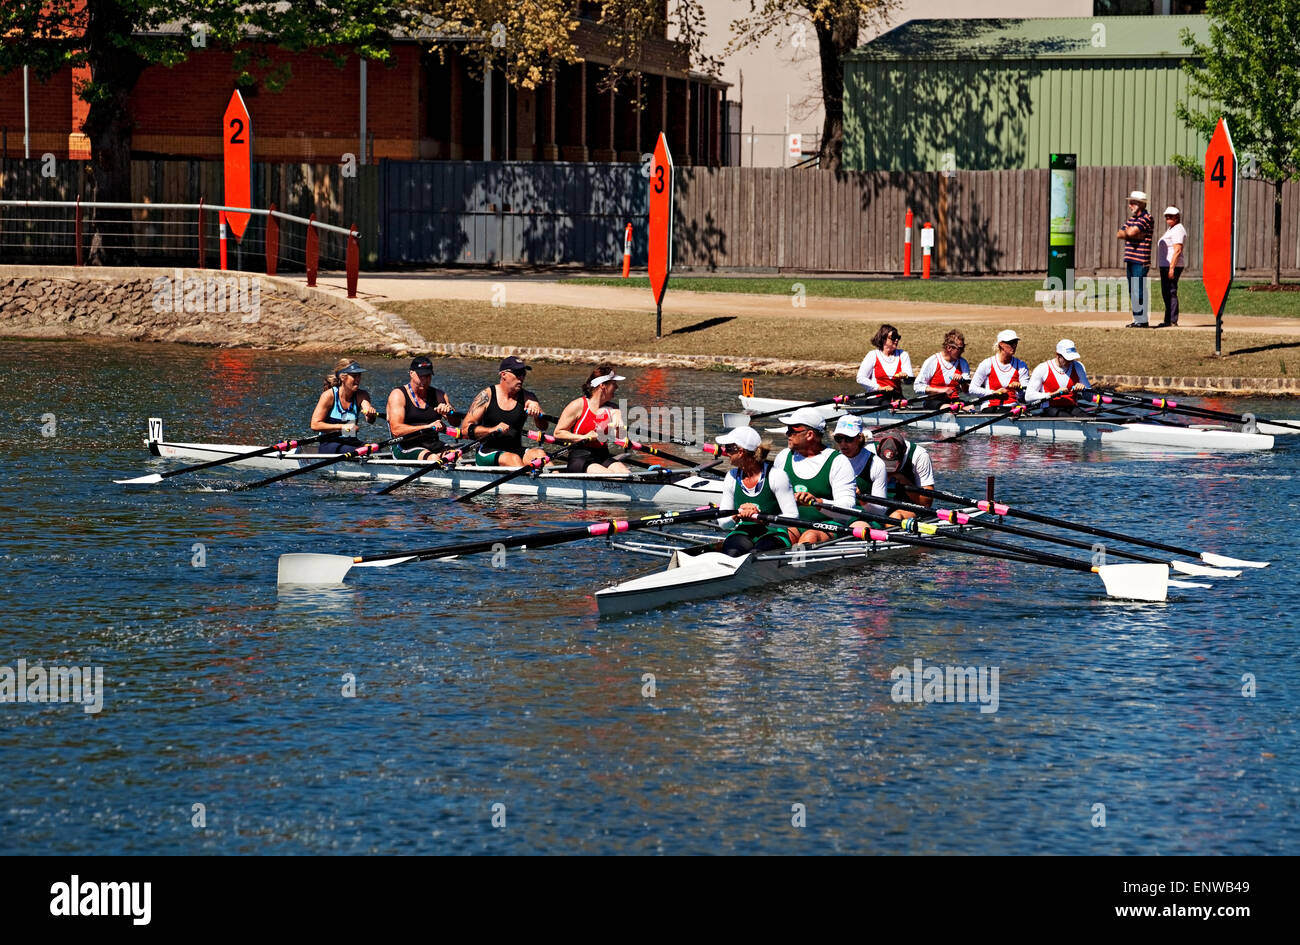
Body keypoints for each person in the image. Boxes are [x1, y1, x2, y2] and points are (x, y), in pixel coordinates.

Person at [773, 407, 861, 545]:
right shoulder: (783, 457)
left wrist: (818, 503)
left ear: (809, 435)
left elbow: (848, 509)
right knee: (769, 542)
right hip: (793, 524)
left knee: (809, 537)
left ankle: (796, 560)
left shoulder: (837, 461)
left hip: (827, 525)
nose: (787, 434)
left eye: (792, 431)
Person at [715, 426, 800, 557]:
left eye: (728, 448)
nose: (725, 452)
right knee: (732, 552)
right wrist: (736, 516)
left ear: (741, 451)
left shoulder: (777, 476)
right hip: (743, 531)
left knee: (758, 554)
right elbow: (723, 523)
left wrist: (761, 519)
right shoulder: (731, 476)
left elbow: (792, 516)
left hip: (774, 532)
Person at [461, 356, 550, 467]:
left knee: (541, 455)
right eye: (517, 373)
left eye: (523, 374)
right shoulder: (486, 395)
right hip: (487, 451)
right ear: (503, 375)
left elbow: (543, 426)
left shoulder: (528, 397)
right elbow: (465, 429)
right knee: (513, 459)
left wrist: (538, 414)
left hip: (515, 449)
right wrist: (492, 430)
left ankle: (558, 481)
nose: (521, 377)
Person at [552, 364, 631, 474]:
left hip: (603, 456)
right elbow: (558, 433)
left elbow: (621, 439)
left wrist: (619, 417)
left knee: (626, 474)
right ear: (603, 385)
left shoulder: (613, 408)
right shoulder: (578, 405)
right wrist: (583, 437)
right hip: (580, 458)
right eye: (614, 384)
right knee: (610, 476)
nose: (617, 387)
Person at [386, 356, 457, 461]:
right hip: (405, 446)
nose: (424, 380)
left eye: (428, 376)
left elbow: (456, 423)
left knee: (457, 457)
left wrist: (450, 412)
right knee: (433, 458)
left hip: (432, 444)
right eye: (421, 376)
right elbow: (396, 430)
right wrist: (428, 427)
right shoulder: (398, 395)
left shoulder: (439, 395)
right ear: (411, 373)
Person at [310, 358, 379, 454]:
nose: (358, 379)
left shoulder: (362, 395)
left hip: (351, 442)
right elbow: (315, 425)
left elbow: (369, 418)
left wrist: (370, 414)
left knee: (376, 450)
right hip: (329, 443)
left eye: (359, 375)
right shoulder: (329, 395)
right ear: (343, 377)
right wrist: (342, 427)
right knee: (359, 451)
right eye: (354, 376)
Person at [831, 415, 889, 520]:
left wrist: (861, 497)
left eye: (848, 439)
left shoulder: (876, 464)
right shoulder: (832, 460)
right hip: (836, 516)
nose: (843, 444)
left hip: (864, 518)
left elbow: (881, 511)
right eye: (838, 439)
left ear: (859, 438)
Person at [868, 433, 936, 521]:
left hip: (906, 508)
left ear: (904, 452)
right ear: (878, 451)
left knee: (894, 517)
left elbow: (926, 503)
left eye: (892, 466)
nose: (888, 472)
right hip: (876, 506)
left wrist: (903, 480)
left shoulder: (919, 456)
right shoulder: (868, 453)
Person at [1116, 190, 1154, 327]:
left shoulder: (1147, 218)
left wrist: (1131, 234)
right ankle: (1137, 319)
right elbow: (1119, 233)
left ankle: (1142, 320)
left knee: (1139, 289)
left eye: (1132, 203)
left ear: (1140, 204)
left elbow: (1129, 232)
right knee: (1132, 289)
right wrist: (1133, 235)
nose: (1130, 205)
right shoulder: (1132, 219)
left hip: (1140, 260)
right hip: (1131, 259)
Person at [1026, 340, 1091, 417]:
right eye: (1067, 359)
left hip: (1072, 407)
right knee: (1068, 418)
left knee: (1086, 418)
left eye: (1072, 358)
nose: (1070, 361)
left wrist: (1083, 390)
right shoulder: (1042, 368)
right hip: (1050, 408)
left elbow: (1090, 398)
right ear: (1058, 355)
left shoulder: (1078, 367)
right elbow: (1028, 396)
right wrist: (1053, 394)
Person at [969, 329, 1030, 408]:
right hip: (990, 407)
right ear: (1001, 344)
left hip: (1012, 408)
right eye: (1010, 343)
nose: (1014, 346)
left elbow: (1025, 397)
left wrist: (1019, 389)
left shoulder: (1021, 366)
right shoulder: (987, 364)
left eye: (1015, 342)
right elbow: (972, 389)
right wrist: (993, 392)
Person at [914, 329, 972, 408]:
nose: (963, 351)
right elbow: (917, 387)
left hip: (953, 401)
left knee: (971, 407)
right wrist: (941, 390)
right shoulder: (932, 361)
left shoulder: (963, 363)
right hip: (933, 401)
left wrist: (962, 382)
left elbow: (967, 391)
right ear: (949, 348)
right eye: (960, 348)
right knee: (948, 408)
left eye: (963, 347)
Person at [856, 324, 914, 392]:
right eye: (893, 337)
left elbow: (909, 382)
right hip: (877, 396)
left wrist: (906, 377)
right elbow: (860, 378)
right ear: (883, 338)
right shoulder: (872, 355)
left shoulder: (903, 355)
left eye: (898, 337)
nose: (896, 340)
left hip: (896, 397)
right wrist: (879, 388)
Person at [1156, 206, 1186, 328]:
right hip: (1166, 265)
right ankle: (1168, 319)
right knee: (1166, 292)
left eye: (1171, 215)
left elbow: (1178, 250)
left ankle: (1172, 320)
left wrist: (1172, 268)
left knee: (1171, 291)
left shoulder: (1178, 229)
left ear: (1177, 216)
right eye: (1166, 216)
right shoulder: (1171, 229)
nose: (1168, 218)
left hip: (1172, 265)